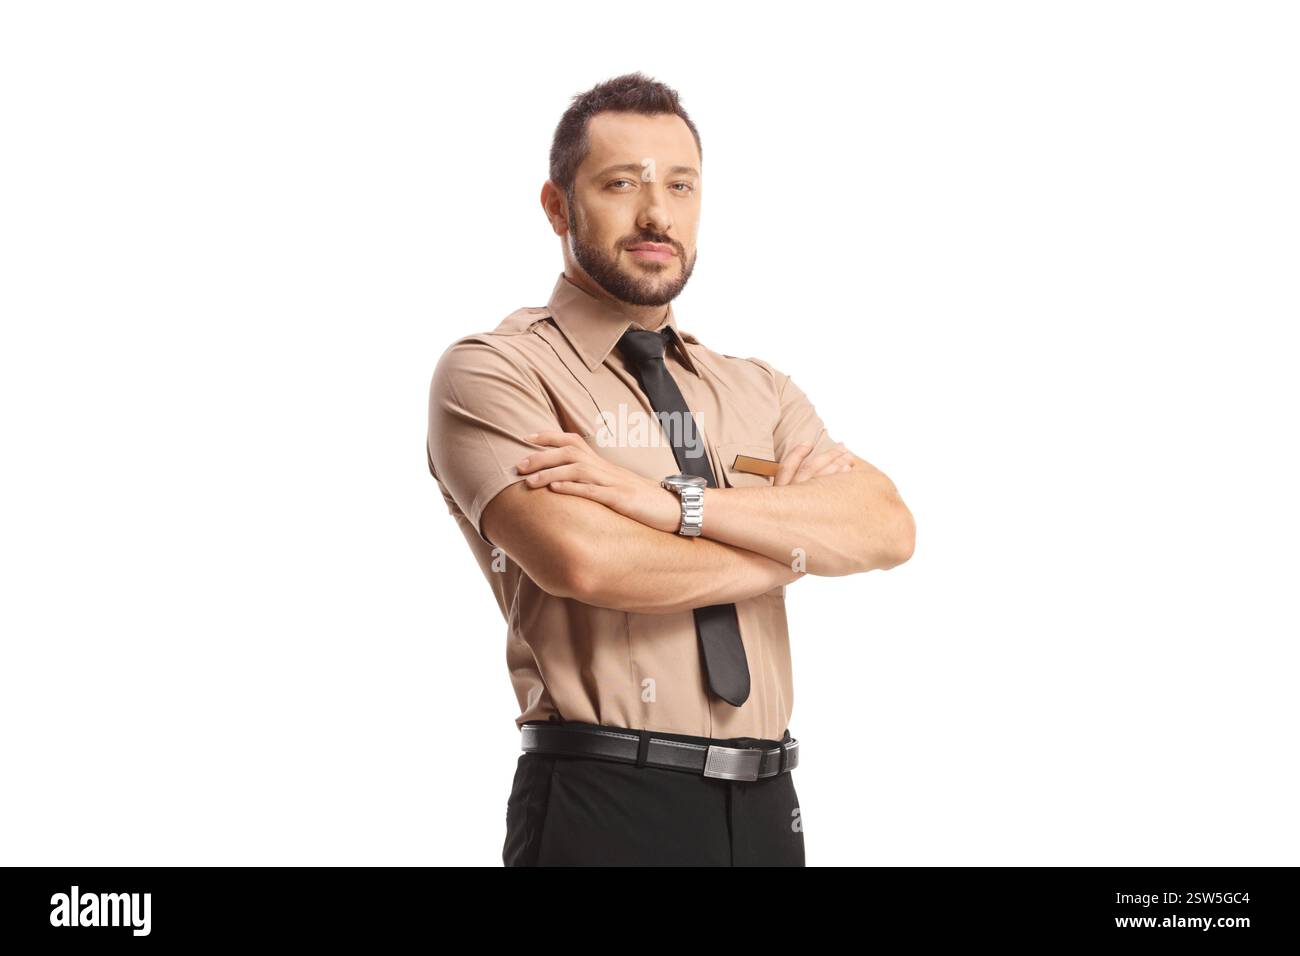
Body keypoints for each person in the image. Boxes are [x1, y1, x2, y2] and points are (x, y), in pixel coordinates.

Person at [426, 72, 915, 866]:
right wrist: (793, 543)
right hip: (605, 799)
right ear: (558, 205)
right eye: (621, 184)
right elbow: (587, 560)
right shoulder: (496, 374)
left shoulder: (759, 389)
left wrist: (664, 505)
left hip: (768, 806)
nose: (657, 214)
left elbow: (886, 527)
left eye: (681, 187)